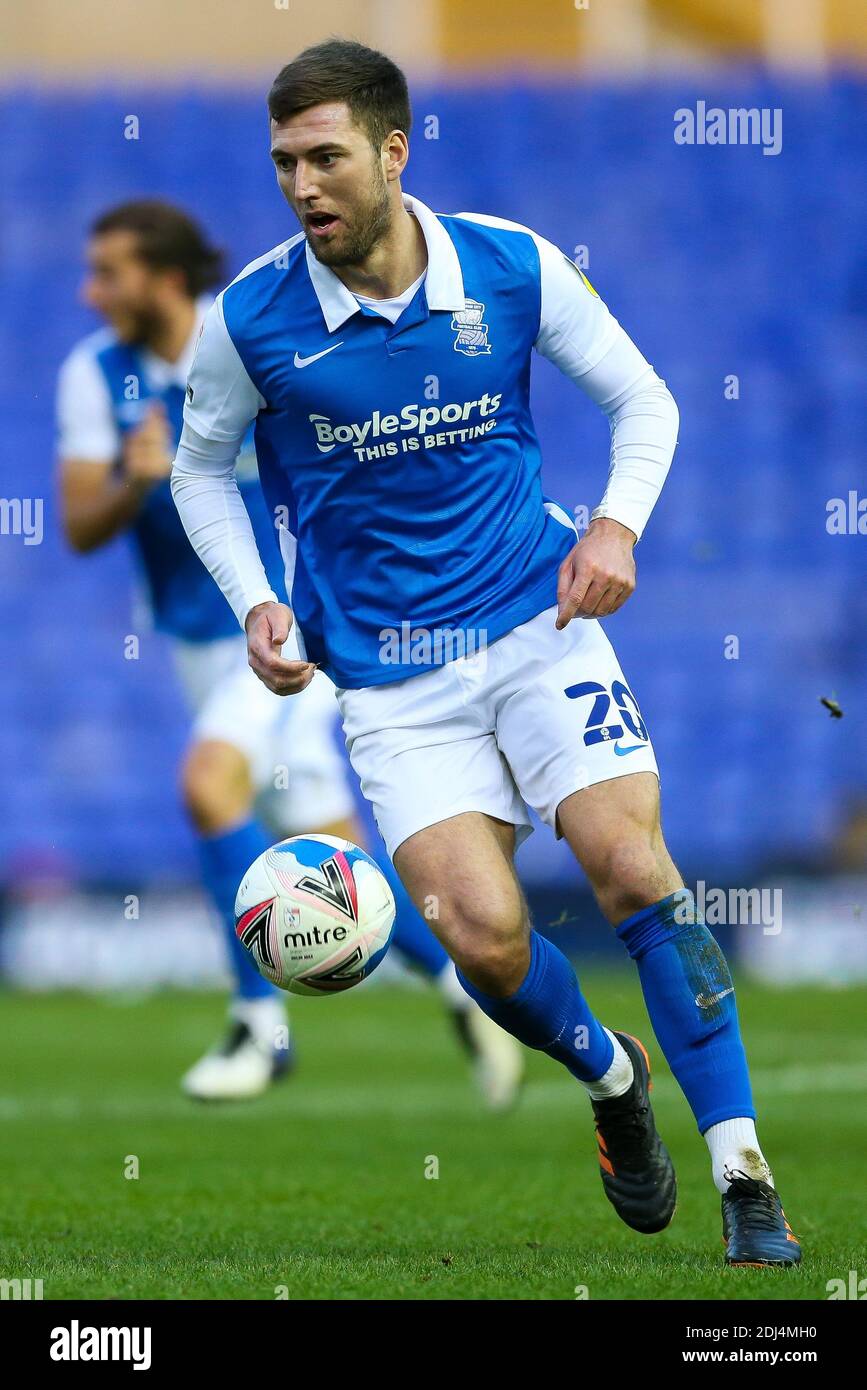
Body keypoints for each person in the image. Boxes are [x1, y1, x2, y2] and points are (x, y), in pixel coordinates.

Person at [171, 39, 800, 1265]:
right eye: (285, 163)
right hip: (391, 686)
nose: (304, 187)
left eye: (328, 157)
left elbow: (647, 401)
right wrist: (255, 597)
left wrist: (616, 523)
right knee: (482, 935)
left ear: (395, 151)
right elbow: (199, 470)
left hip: (535, 626)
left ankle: (744, 1174)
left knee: (630, 864)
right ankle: (613, 1079)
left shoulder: (512, 267)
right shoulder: (247, 319)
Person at [58, 199, 523, 1106]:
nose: (90, 290)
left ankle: (256, 1028)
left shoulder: (250, 340)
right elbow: (77, 524)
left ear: (161, 276)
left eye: (108, 271)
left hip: (293, 626)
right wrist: (132, 480)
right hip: (199, 642)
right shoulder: (96, 374)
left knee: (207, 785)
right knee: (326, 843)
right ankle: (460, 988)